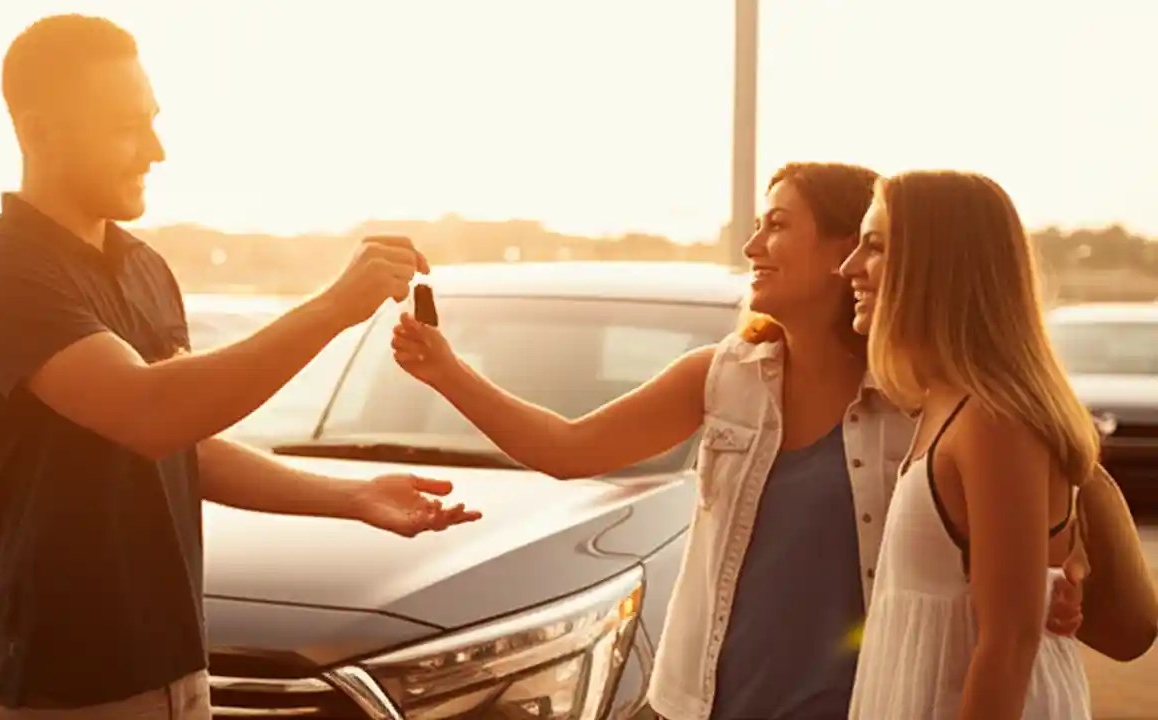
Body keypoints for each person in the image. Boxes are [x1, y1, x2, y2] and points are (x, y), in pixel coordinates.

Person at [389, 162, 1086, 720]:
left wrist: (1071, 575)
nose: (752, 247)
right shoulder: (724, 376)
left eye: (777, 226)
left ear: (848, 249)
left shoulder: (933, 399)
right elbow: (567, 450)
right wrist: (446, 372)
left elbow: (1054, 521)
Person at [0, 14, 479, 719]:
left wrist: (350, 498)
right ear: (40, 132)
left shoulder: (144, 268)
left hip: (181, 674)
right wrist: (335, 307)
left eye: (153, 121)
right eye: (126, 126)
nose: (156, 150)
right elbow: (149, 412)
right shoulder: (1, 272)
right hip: (66, 693)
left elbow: (185, 442)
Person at [842, 171, 1094, 719]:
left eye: (876, 246)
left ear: (937, 266)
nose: (849, 267)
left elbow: (1009, 647)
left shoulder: (993, 421)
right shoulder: (945, 406)